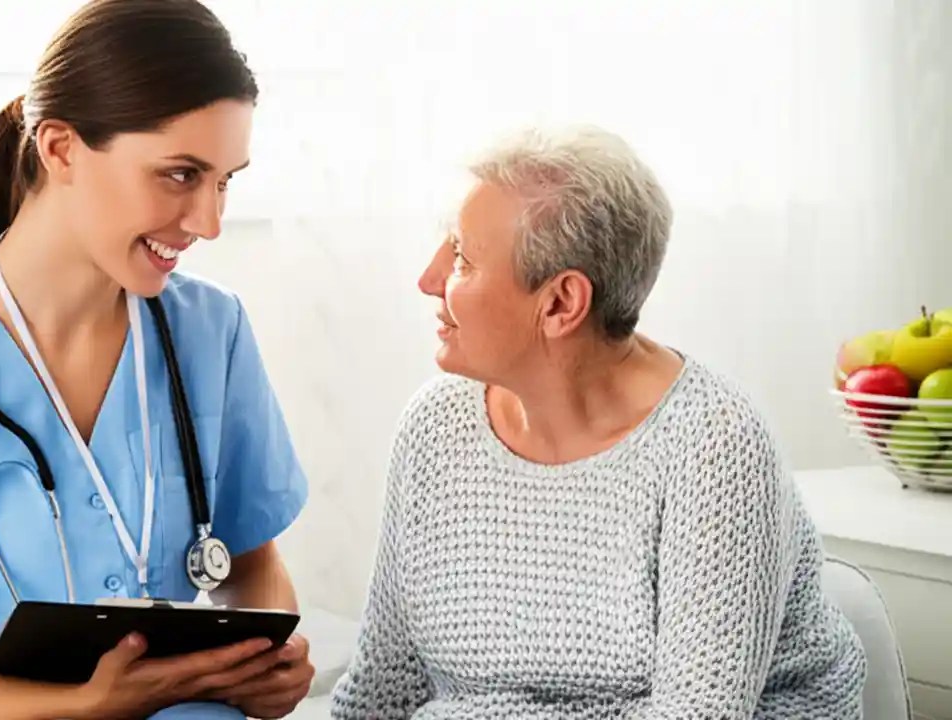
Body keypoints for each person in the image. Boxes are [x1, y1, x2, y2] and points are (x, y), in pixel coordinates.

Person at [0, 2, 314, 718]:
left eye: (225, 180)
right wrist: (89, 708)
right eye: (179, 175)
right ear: (61, 148)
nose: (209, 222)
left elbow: (252, 567)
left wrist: (261, 663)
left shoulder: (211, 332)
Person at [330, 125, 867, 718]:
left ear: (562, 303)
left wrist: (462, 715)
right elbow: (381, 694)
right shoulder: (435, 428)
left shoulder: (716, 446)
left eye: (460, 256)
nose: (430, 279)